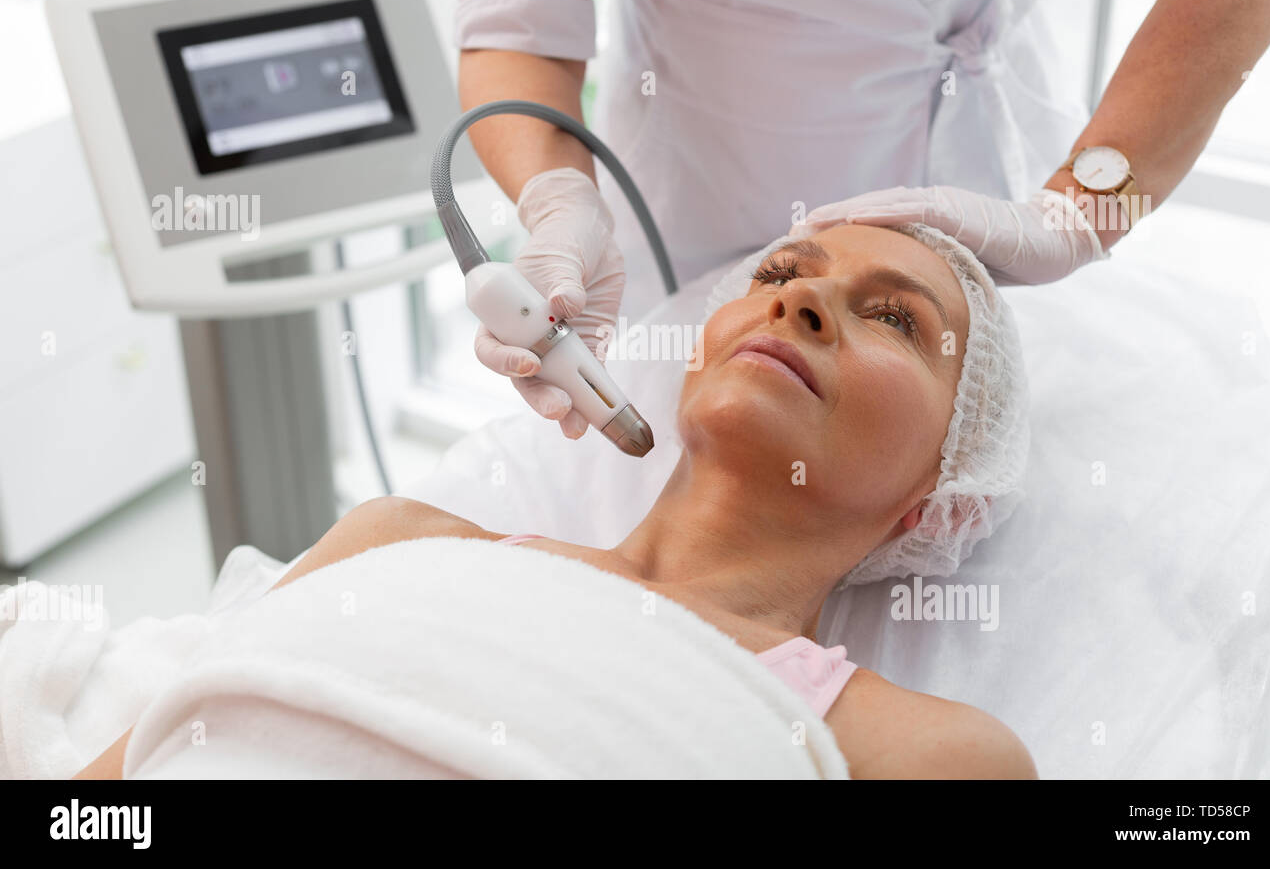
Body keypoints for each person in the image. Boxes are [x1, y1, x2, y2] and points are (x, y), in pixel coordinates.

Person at [75, 220, 1033, 779]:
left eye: (898, 319)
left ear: (939, 497)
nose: (800, 302)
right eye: (781, 274)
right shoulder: (393, 536)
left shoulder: (925, 751)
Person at [455, 0, 1270, 439]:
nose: (801, 303)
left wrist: (1080, 212)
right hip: (698, 182)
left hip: (970, 175)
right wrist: (559, 199)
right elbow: (519, 16)